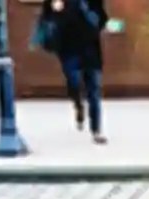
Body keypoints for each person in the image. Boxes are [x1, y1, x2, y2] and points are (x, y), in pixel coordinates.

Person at [40, 0, 109, 144]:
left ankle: (96, 130)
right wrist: (56, 11)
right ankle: (78, 105)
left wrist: (93, 22)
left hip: (90, 48)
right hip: (68, 48)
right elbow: (46, 16)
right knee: (74, 81)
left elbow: (102, 17)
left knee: (94, 90)